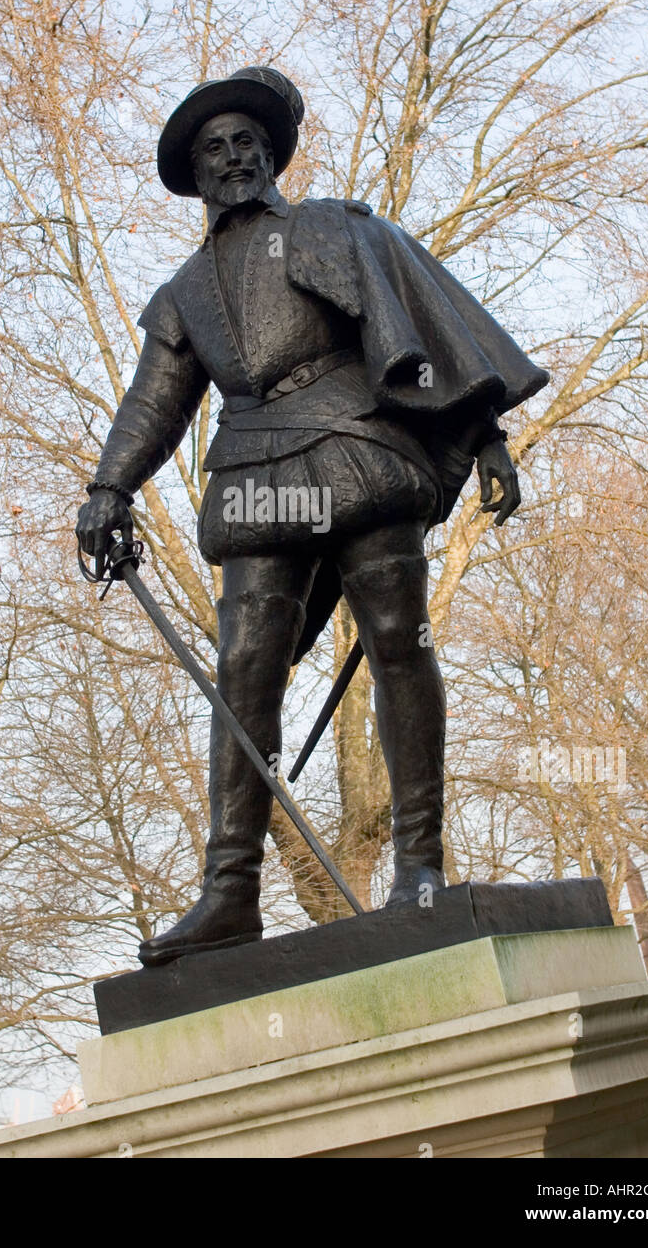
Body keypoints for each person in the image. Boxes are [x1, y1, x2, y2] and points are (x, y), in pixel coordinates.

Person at [76, 67, 549, 965]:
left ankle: (419, 863)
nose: (232, 159)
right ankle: (229, 892)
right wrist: (110, 487)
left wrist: (483, 433)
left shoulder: (330, 228)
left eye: (244, 142)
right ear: (196, 172)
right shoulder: (184, 293)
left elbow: (423, 325)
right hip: (256, 474)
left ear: (268, 153)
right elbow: (155, 402)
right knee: (244, 669)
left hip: (358, 451)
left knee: (398, 640)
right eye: (213, 149)